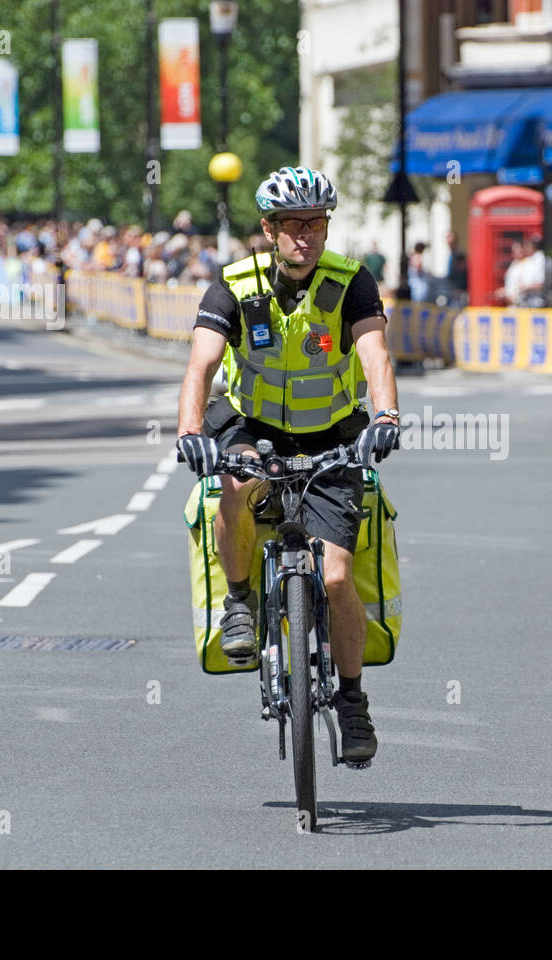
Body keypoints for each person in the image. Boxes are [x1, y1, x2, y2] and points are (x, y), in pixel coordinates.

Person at [175, 166, 400, 764]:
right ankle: (240, 601)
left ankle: (352, 702)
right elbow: (201, 365)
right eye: (293, 224)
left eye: (316, 222)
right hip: (253, 426)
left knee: (334, 578)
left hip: (332, 431)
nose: (306, 235)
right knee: (238, 479)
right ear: (269, 229)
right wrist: (190, 431)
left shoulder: (351, 282)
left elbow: (376, 353)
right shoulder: (232, 285)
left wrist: (387, 418)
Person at [514, 235, 552, 307]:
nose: (525, 248)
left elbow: (540, 284)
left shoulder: (541, 259)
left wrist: (526, 287)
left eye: (527, 245)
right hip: (527, 301)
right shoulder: (529, 260)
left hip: (537, 302)